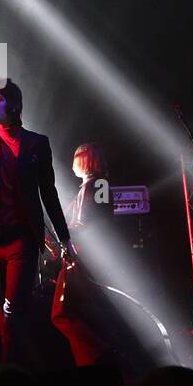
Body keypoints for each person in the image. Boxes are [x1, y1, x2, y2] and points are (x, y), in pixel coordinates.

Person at [0, 79, 74, 363]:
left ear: (14, 104)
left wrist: (64, 237)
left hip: (22, 238)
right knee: (4, 318)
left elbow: (49, 192)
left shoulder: (37, 143)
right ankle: (18, 374)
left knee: (14, 308)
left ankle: (12, 377)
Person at [51, 144, 115, 366]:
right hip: (86, 258)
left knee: (61, 313)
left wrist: (63, 234)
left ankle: (98, 355)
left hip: (85, 259)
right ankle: (90, 361)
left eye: (76, 158)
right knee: (75, 313)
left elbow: (92, 223)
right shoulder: (94, 186)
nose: (72, 164)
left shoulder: (97, 185)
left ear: (84, 160)